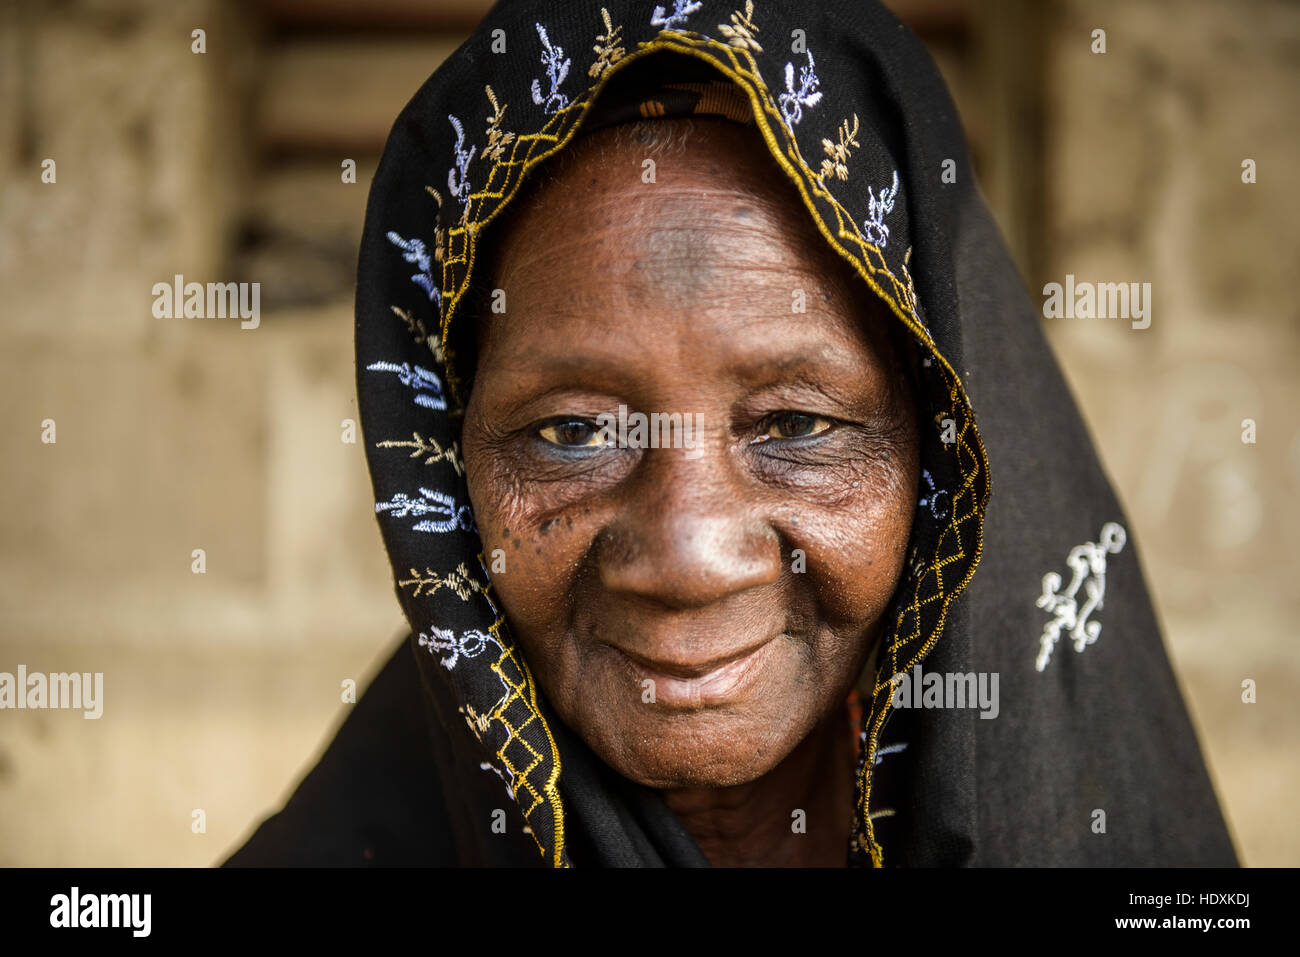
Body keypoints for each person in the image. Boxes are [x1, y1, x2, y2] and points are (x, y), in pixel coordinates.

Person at [226, 0, 1237, 867]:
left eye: (797, 424)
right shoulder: (392, 818)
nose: (686, 558)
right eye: (573, 431)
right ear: (448, 465)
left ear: (941, 461)